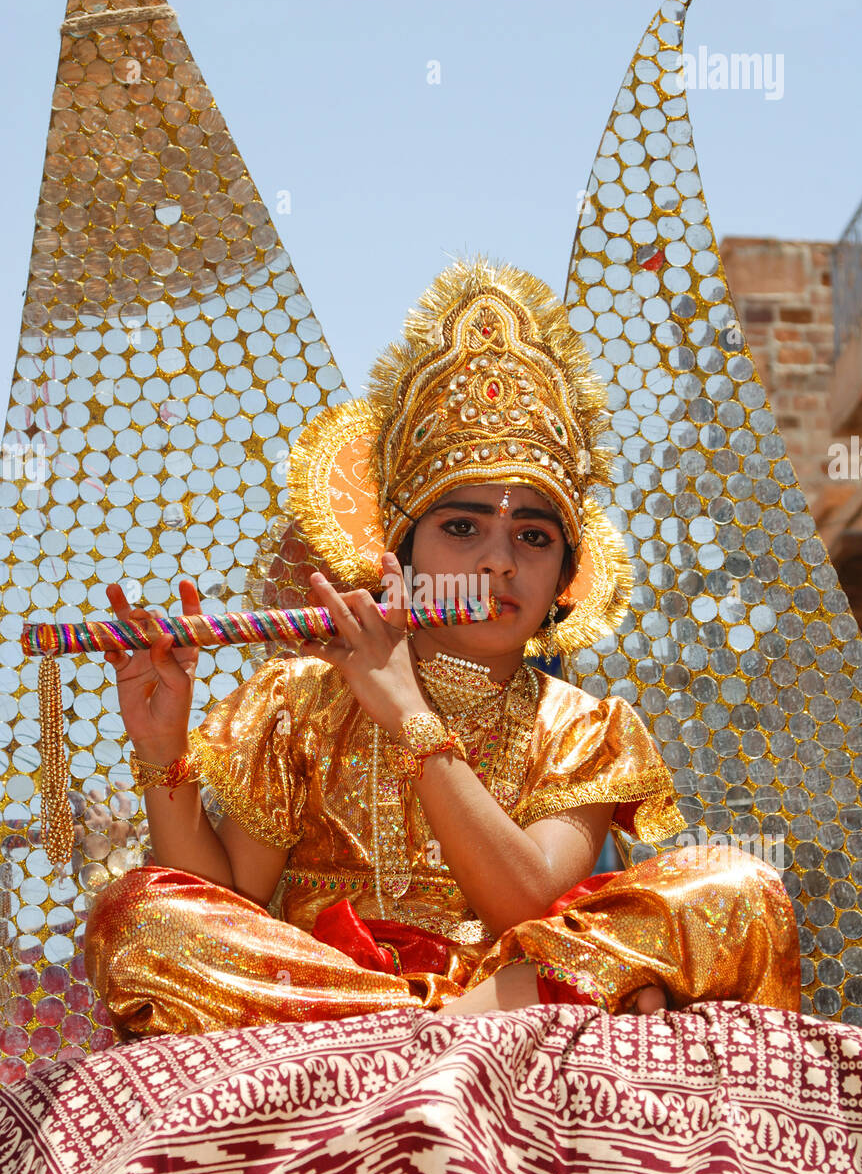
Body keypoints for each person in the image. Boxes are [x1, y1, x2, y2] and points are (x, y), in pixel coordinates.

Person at [84, 257, 799, 1039]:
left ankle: (444, 1024)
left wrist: (406, 712)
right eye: (462, 529)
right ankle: (419, 1025)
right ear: (405, 552)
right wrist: (159, 747)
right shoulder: (300, 695)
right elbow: (230, 894)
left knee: (739, 886)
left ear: (566, 577)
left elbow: (523, 903)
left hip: (504, 982)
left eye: (532, 537)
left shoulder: (585, 728)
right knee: (140, 912)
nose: (498, 562)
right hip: (324, 985)